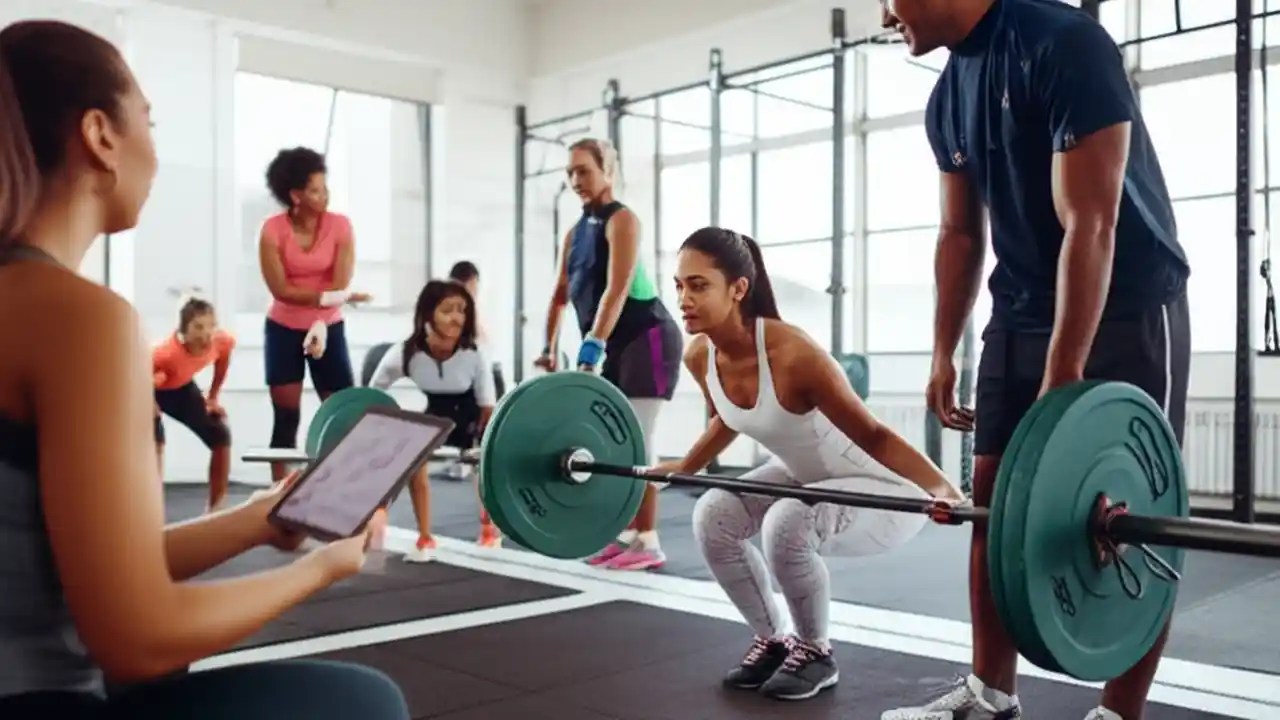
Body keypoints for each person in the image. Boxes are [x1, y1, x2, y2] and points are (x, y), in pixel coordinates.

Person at [0, 18, 407, 719]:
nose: (155, 152)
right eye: (148, 121)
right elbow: (138, 636)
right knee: (365, 703)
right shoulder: (80, 319)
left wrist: (254, 520)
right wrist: (320, 568)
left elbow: (87, 564)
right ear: (100, 135)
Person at [877, 2, 1190, 720]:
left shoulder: (1065, 44)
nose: (885, 13)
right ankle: (991, 693)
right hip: (1018, 312)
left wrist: (1062, 377)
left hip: (1127, 303)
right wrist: (942, 350)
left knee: (1136, 517)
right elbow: (959, 233)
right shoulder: (947, 95)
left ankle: (1119, 711)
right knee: (995, 507)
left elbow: (1094, 222)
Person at [664, 227, 966, 702]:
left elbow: (874, 436)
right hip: (808, 475)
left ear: (738, 289)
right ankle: (773, 641)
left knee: (789, 519)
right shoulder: (700, 355)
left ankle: (815, 653)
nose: (684, 298)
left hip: (884, 485)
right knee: (713, 513)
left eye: (698, 285)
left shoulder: (793, 355)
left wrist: (945, 490)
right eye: (679, 285)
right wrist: (685, 467)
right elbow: (727, 417)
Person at [537, 137, 684, 572]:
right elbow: (561, 296)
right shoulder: (574, 233)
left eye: (584, 170)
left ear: (608, 171)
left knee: (638, 439)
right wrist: (548, 349)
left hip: (648, 337)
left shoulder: (623, 220)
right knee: (613, 443)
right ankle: (625, 534)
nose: (576, 180)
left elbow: (616, 288)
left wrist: (591, 347)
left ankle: (650, 540)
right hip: (613, 344)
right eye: (570, 173)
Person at [258, 145, 370, 483]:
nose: (325, 195)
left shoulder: (340, 226)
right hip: (282, 328)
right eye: (315, 190)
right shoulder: (272, 230)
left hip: (329, 327)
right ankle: (278, 494)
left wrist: (320, 318)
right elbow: (281, 291)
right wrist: (333, 296)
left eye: (325, 187)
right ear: (295, 195)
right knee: (286, 417)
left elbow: (341, 282)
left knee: (340, 415)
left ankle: (338, 486)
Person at [369, 280, 501, 561]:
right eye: (447, 310)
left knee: (482, 468)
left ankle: (489, 529)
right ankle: (424, 537)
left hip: (465, 418)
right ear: (428, 314)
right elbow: (372, 395)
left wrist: (484, 439)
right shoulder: (404, 353)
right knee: (416, 467)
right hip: (426, 417)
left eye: (462, 310)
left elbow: (487, 402)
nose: (456, 317)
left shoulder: (474, 354)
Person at [152, 295, 235, 512]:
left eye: (211, 326)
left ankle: (216, 510)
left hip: (181, 388)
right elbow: (138, 377)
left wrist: (213, 397)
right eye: (198, 327)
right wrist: (149, 405)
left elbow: (223, 359)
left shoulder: (221, 341)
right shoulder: (166, 355)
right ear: (184, 330)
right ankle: (150, 511)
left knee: (219, 433)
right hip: (149, 390)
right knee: (155, 441)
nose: (206, 334)